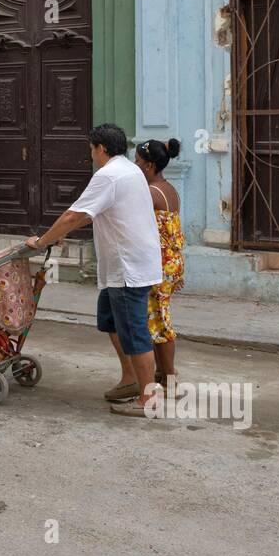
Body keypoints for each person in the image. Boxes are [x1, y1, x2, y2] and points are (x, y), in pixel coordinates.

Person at [27, 123, 164, 413]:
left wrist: (41, 242)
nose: (90, 155)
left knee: (134, 330)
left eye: (91, 149)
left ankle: (148, 398)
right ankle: (130, 378)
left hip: (127, 267)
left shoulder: (109, 175)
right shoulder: (130, 171)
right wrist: (61, 232)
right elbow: (93, 213)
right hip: (127, 264)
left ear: (101, 148)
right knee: (110, 319)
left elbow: (72, 215)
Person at [135, 139, 185, 394]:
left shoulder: (152, 193)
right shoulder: (168, 189)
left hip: (159, 265)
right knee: (156, 318)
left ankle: (170, 377)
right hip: (171, 263)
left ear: (149, 165)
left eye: (138, 162)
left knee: (159, 321)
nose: (135, 166)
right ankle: (163, 373)